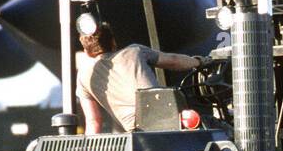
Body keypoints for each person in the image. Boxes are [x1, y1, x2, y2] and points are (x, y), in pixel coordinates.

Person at [76, 21, 205, 133]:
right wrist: (200, 61)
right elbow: (173, 61)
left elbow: (94, 122)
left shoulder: (84, 76)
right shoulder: (134, 51)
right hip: (169, 118)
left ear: (86, 51)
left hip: (136, 133)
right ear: (113, 42)